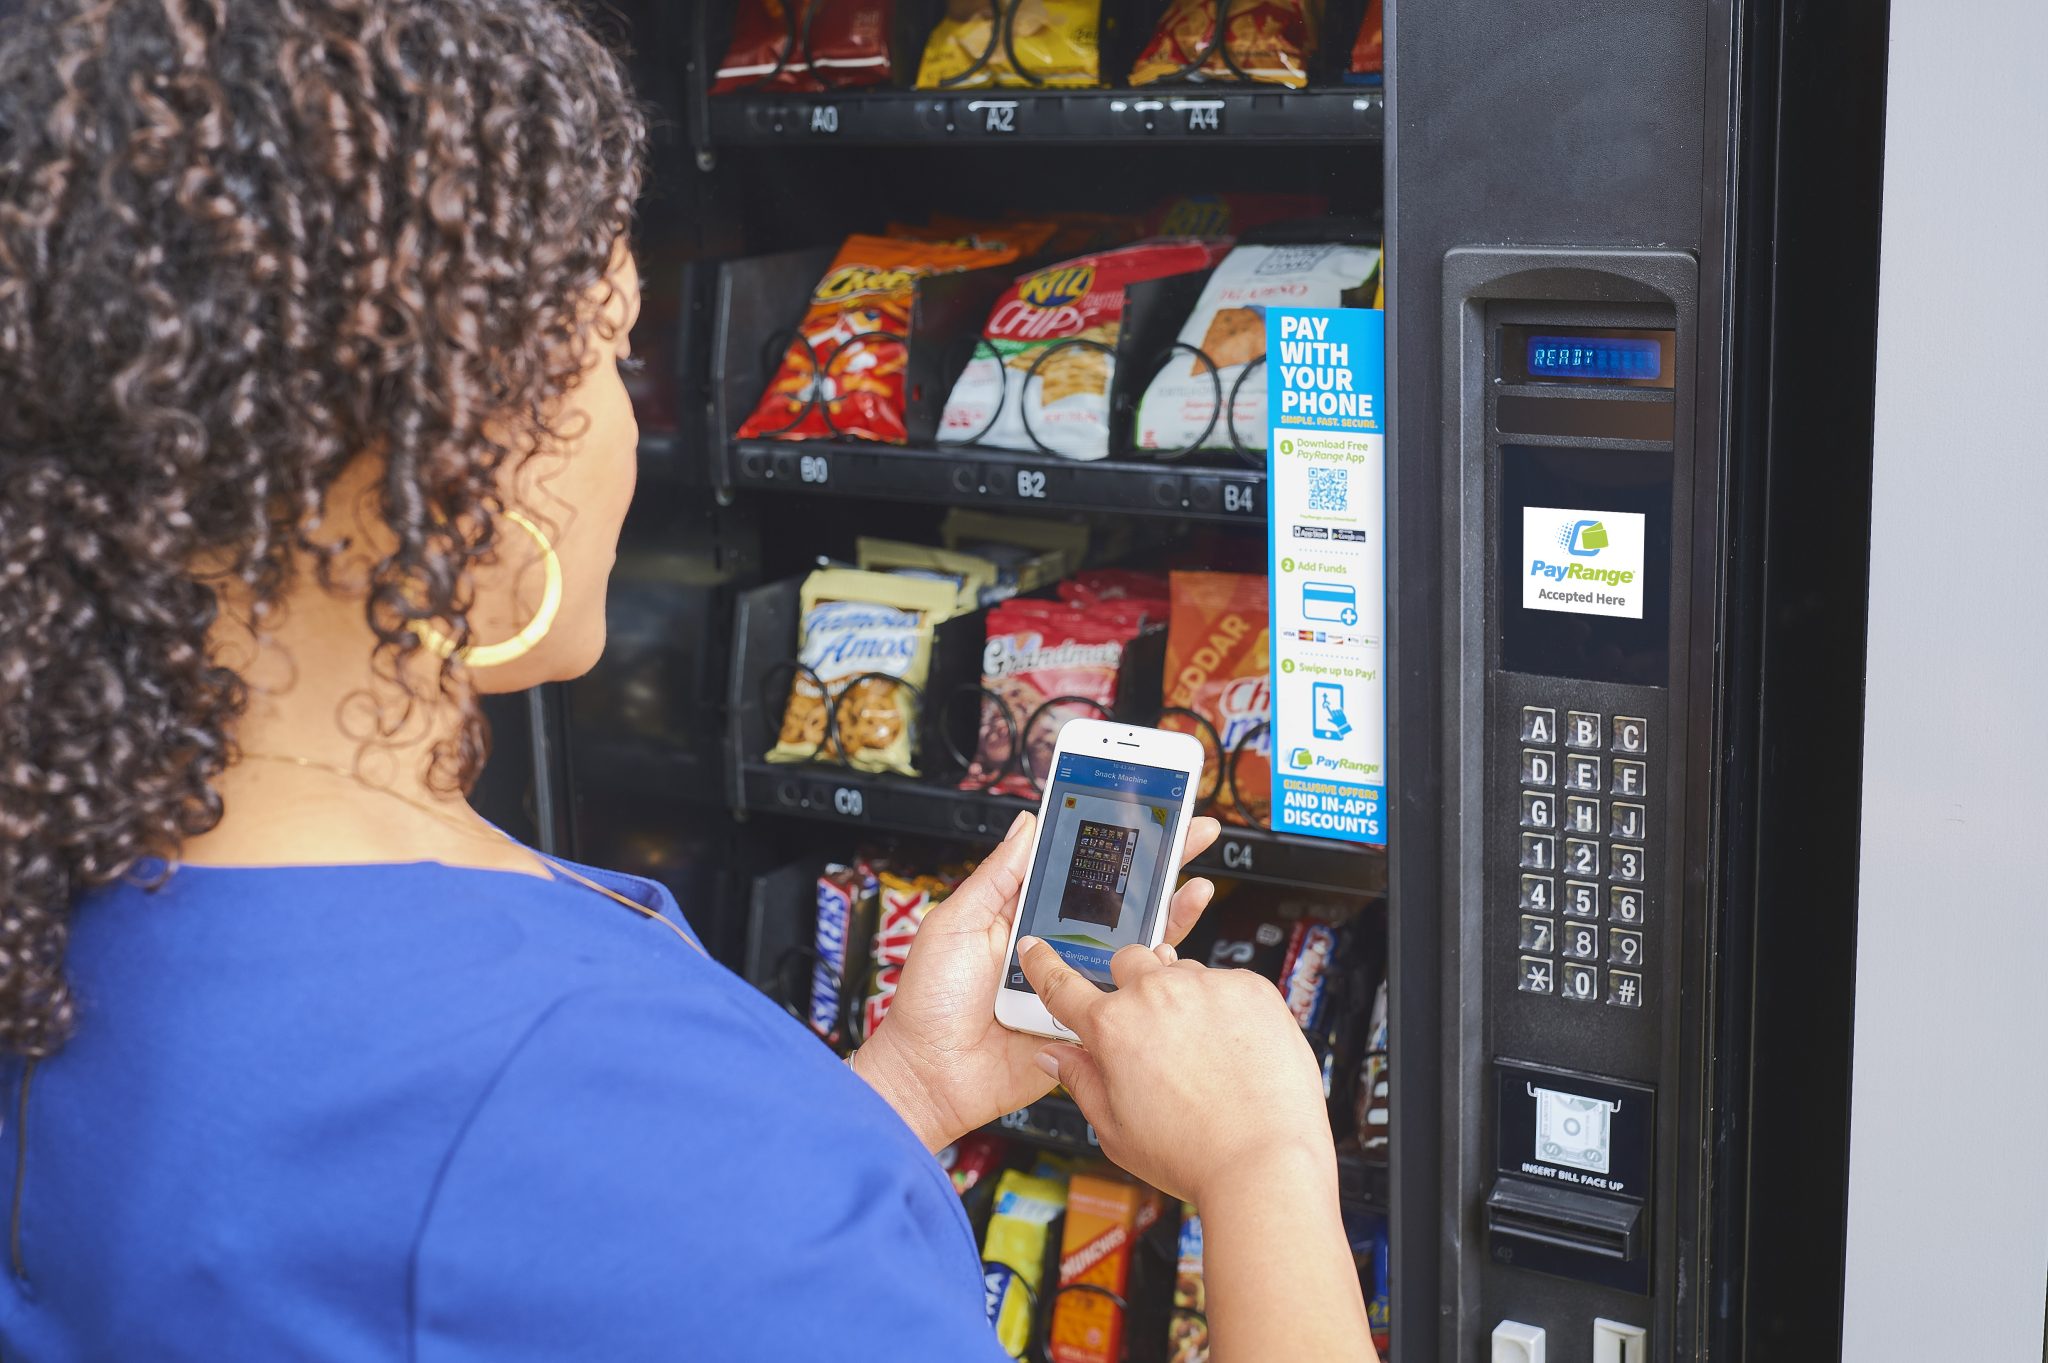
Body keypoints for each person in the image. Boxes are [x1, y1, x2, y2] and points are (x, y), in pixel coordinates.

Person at [0, 2, 1376, 1359]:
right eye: (608, 346)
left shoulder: (69, 902)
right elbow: (607, 1205)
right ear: (449, 440)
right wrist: (1263, 1163)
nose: (626, 419)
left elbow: (556, 1273)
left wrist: (894, 1099)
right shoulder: (604, 1090)